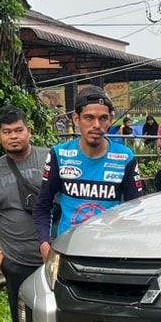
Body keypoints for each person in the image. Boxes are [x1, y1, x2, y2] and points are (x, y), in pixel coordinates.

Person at [33, 85, 144, 260]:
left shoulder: (125, 157)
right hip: (68, 250)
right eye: (89, 118)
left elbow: (135, 209)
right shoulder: (60, 154)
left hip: (110, 251)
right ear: (76, 119)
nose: (96, 125)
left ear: (111, 119)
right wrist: (44, 244)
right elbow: (43, 206)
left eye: (103, 118)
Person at [0, 105, 50, 322]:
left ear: (29, 131)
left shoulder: (51, 160)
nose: (13, 136)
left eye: (18, 130)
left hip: (55, 260)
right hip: (17, 264)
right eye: (7, 132)